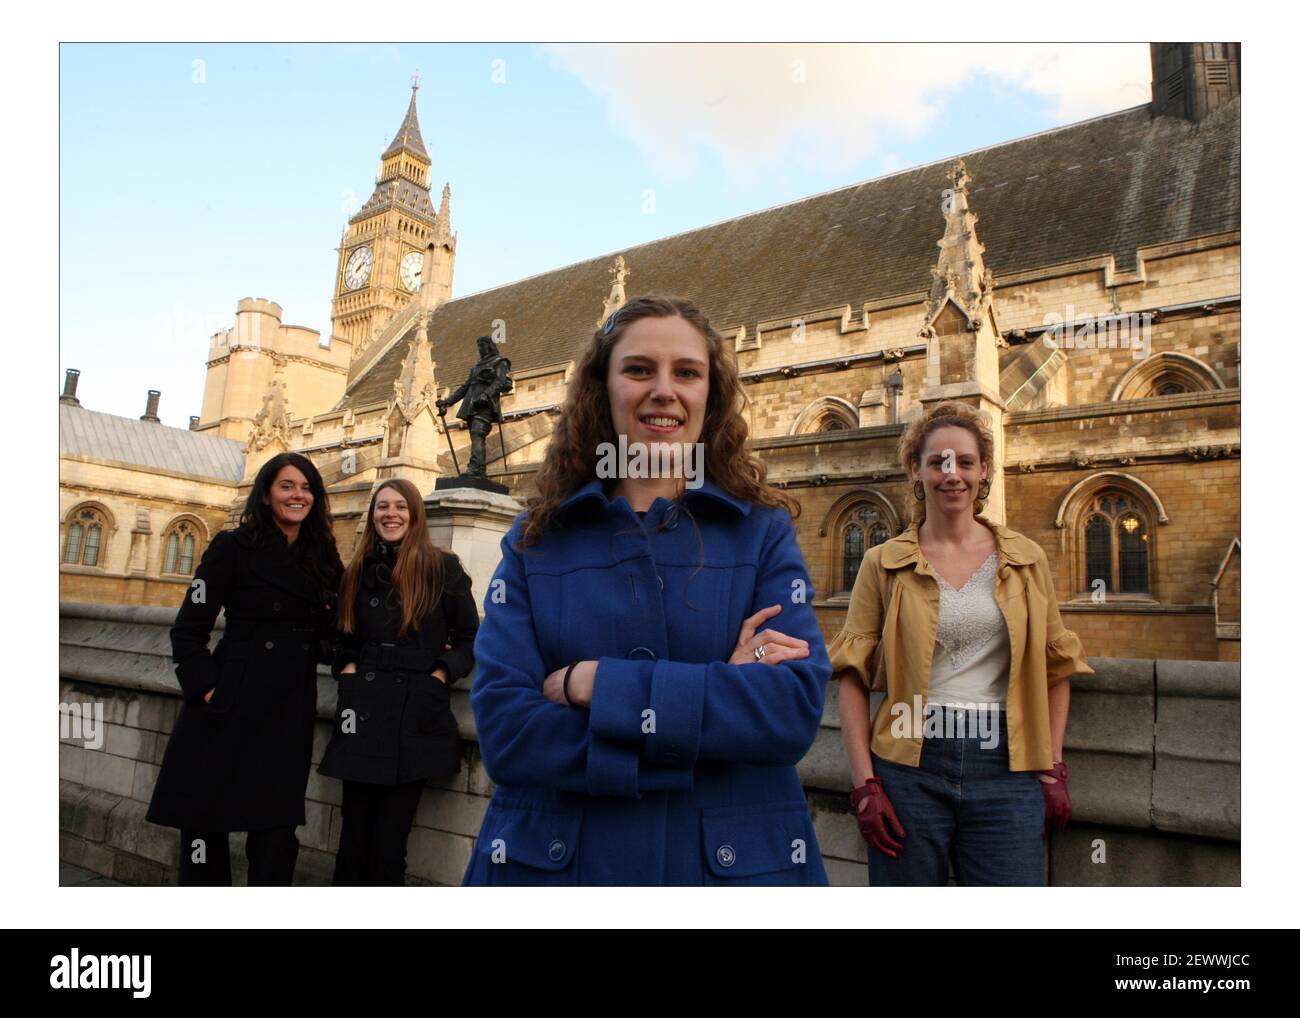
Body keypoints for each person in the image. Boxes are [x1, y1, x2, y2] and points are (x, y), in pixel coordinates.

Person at [462, 294, 833, 886]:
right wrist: (715, 700)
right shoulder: (535, 540)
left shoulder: (761, 531)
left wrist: (590, 683)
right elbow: (509, 733)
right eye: (639, 370)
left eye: (686, 372)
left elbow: (787, 712)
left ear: (708, 395)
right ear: (601, 389)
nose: (664, 390)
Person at [829, 400, 1093, 885]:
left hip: (1008, 766)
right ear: (916, 470)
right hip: (908, 765)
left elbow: (1058, 668)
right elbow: (851, 676)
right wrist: (865, 784)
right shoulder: (882, 562)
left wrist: (1053, 766)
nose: (953, 475)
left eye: (966, 462)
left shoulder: (1026, 558)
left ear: (984, 469)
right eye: (938, 462)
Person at [147, 452, 343, 885]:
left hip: (288, 708)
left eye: (307, 487)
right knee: (205, 825)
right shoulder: (232, 547)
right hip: (229, 704)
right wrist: (208, 690)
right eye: (287, 486)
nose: (298, 495)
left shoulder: (324, 556)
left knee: (276, 832)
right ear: (267, 494)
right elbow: (188, 630)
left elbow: (335, 632)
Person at [318, 477, 479, 885]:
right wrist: (348, 667)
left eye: (400, 507)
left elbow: (470, 637)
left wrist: (441, 673)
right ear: (372, 516)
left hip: (415, 714)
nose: (391, 514)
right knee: (352, 843)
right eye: (383, 507)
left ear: (415, 514)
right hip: (363, 711)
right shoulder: (356, 570)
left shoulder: (443, 567)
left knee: (390, 846)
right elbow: (338, 636)